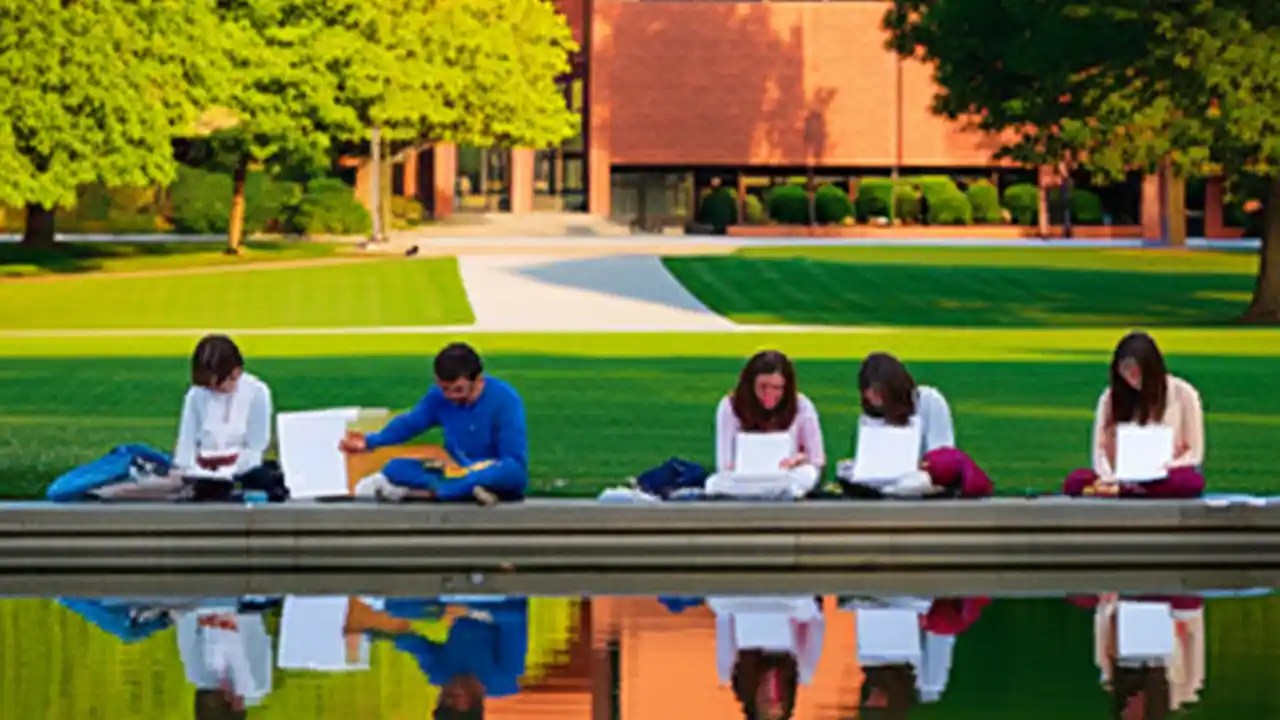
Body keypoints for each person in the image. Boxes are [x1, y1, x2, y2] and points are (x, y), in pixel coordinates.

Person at [340, 342, 529, 502]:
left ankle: (441, 492)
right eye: (444, 389)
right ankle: (457, 492)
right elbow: (411, 423)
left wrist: (475, 477)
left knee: (504, 473)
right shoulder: (440, 398)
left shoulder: (505, 400)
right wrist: (371, 441)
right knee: (395, 467)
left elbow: (514, 465)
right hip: (456, 471)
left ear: (478, 380)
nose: (450, 396)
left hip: (489, 471)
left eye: (458, 390)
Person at [1063, 332, 1205, 498]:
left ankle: (1127, 492)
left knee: (1190, 481)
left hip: (1164, 475)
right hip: (1120, 476)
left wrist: (1165, 467)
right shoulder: (1110, 398)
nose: (1132, 376)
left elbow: (1194, 453)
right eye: (1126, 369)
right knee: (1075, 480)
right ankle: (1127, 490)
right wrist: (1109, 476)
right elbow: (1099, 450)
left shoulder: (1184, 394)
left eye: (1138, 370)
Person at [344, 596, 529, 719]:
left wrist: (375, 634)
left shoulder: (440, 675)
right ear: (472, 701)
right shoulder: (505, 674)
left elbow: (416, 645)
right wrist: (470, 612)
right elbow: (516, 617)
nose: (447, 687)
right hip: (494, 599)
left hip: (454, 601)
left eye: (443, 695)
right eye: (452, 694)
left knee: (398, 608)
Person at [837, 353, 991, 499]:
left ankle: (889, 492)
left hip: (922, 477)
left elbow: (943, 458)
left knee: (916, 483)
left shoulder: (930, 401)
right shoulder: (868, 417)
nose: (873, 399)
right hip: (881, 479)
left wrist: (913, 466)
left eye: (878, 392)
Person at [705, 350, 825, 500]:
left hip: (786, 477)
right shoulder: (730, 406)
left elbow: (816, 460)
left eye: (776, 388)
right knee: (715, 482)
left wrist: (797, 460)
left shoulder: (802, 406)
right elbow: (724, 464)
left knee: (807, 474)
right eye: (763, 386)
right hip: (744, 480)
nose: (769, 394)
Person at [173, 335, 274, 497]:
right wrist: (190, 471)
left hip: (241, 474)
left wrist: (229, 472)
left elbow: (256, 446)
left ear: (236, 371)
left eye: (218, 383)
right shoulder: (196, 395)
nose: (214, 390)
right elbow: (186, 443)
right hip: (201, 474)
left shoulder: (257, 392)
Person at [708, 596, 826, 720]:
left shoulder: (729, 668)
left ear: (754, 702)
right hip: (790, 597)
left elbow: (723, 616)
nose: (773, 691)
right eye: (780, 699)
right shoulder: (802, 669)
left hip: (739, 596)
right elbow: (815, 619)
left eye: (767, 700)